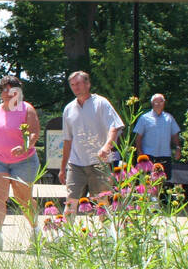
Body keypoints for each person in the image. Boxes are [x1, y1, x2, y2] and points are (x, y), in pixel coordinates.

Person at [0, 75, 41, 250]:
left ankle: (36, 233)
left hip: (23, 161)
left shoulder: (27, 109)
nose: (7, 93)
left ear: (18, 92)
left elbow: (34, 133)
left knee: (23, 198)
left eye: (11, 90)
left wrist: (25, 146)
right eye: (4, 89)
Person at [59, 71, 124, 217]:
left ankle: (107, 237)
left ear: (88, 84)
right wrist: (62, 168)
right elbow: (67, 140)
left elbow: (113, 127)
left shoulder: (101, 103)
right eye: (73, 85)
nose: (76, 87)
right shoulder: (68, 109)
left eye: (79, 84)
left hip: (99, 162)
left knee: (101, 202)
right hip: (75, 163)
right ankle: (66, 236)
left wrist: (107, 146)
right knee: (71, 201)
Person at [132, 92, 181, 186]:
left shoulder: (169, 118)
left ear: (164, 103)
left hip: (165, 155)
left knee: (164, 182)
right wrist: (139, 152)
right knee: (148, 182)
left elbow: (175, 134)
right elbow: (138, 137)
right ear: (152, 103)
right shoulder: (144, 118)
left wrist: (178, 148)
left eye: (161, 101)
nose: (158, 104)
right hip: (149, 156)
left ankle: (160, 201)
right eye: (156, 102)